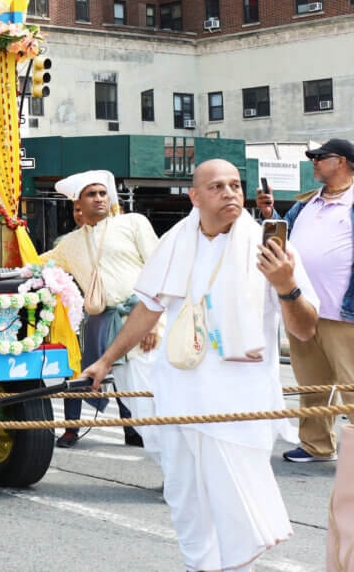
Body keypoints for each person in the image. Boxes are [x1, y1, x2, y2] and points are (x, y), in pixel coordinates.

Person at [84, 159, 318, 572]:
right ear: (194, 196)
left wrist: (286, 286)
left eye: (235, 185)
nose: (230, 193)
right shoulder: (176, 241)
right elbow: (149, 308)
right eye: (217, 187)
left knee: (236, 510)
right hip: (179, 398)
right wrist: (105, 361)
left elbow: (304, 329)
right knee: (187, 503)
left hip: (239, 405)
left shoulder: (270, 248)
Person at [41, 170, 158, 448]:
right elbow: (36, 263)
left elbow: (159, 270)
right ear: (78, 203)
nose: (99, 198)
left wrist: (152, 323)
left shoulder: (133, 223)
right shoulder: (69, 244)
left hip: (146, 325)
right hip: (106, 329)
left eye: (103, 193)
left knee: (158, 402)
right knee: (136, 403)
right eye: (91, 194)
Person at [257, 137, 354, 463]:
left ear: (342, 161)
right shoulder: (309, 202)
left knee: (351, 385)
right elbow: (285, 233)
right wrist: (269, 214)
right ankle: (316, 445)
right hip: (303, 307)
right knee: (312, 383)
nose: (314, 161)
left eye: (320, 157)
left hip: (344, 313)